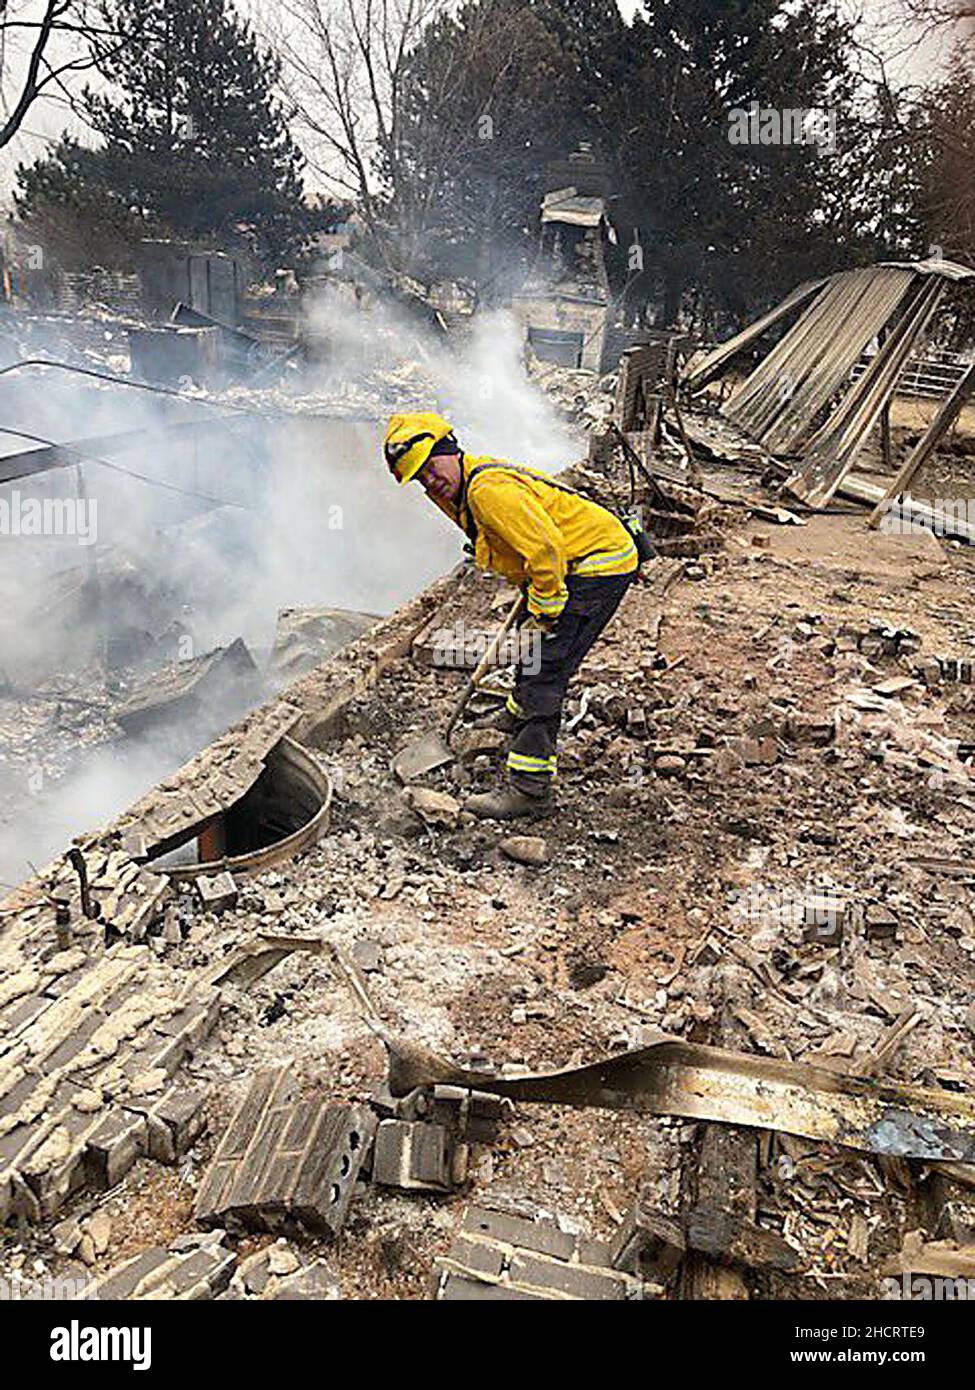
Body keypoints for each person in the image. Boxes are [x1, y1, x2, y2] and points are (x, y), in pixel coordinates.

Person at [385, 411, 638, 819]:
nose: (430, 481)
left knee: (546, 668)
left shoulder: (487, 492)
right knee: (532, 646)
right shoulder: (458, 490)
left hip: (597, 565)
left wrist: (547, 611)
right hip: (568, 564)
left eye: (431, 468)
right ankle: (517, 711)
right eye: (421, 478)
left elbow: (546, 552)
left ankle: (529, 790)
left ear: (450, 450)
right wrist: (534, 605)